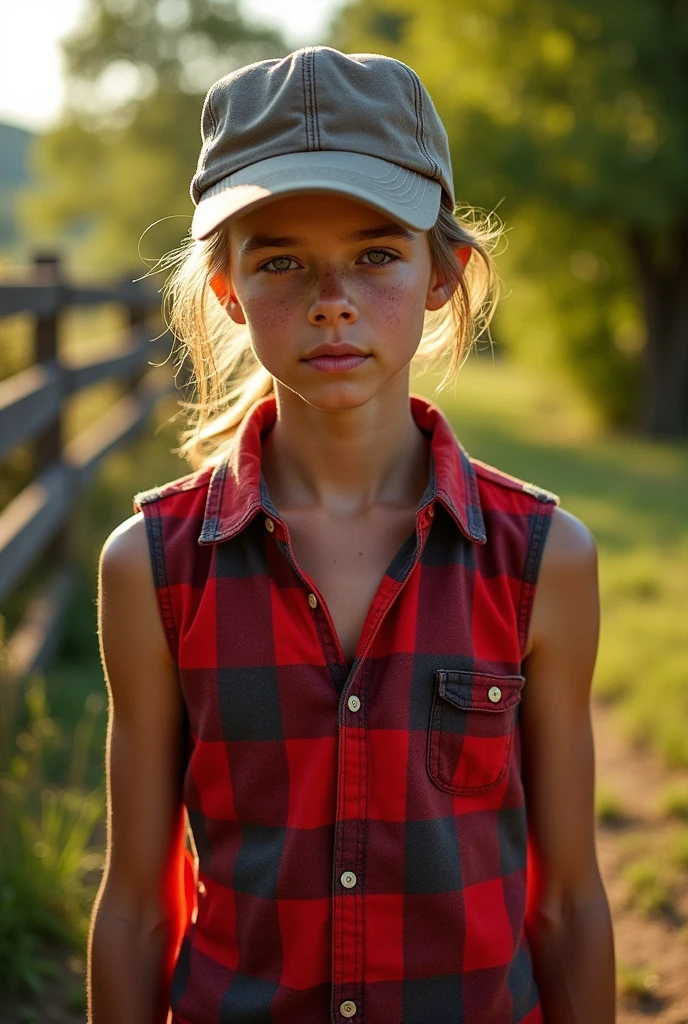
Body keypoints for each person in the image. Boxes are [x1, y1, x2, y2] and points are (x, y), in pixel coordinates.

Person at [87, 46, 616, 1024]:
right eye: (280, 259)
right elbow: (134, 910)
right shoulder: (151, 567)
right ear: (226, 291)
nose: (330, 299)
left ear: (443, 276)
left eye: (376, 255)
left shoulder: (544, 559)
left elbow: (570, 897)